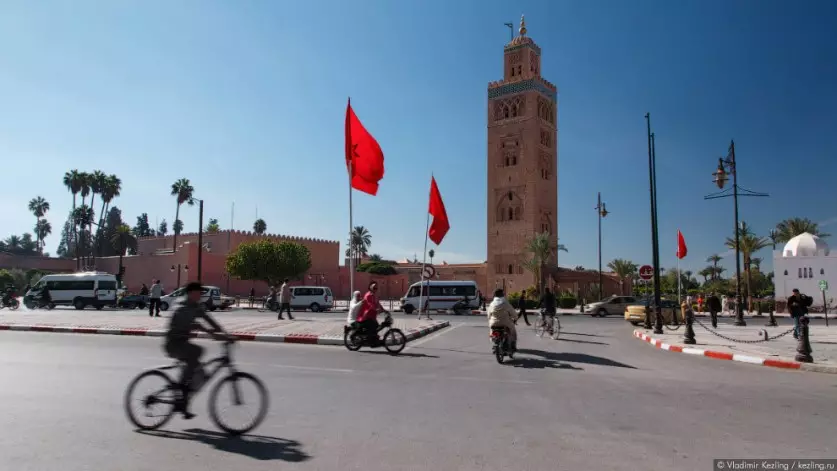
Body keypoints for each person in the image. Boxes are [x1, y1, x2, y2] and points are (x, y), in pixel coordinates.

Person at [164, 282, 231, 419]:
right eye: (198, 293)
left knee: (197, 371)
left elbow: (210, 321)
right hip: (174, 344)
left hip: (183, 343)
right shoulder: (181, 306)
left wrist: (225, 334)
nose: (200, 295)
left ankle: (183, 399)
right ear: (190, 293)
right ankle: (182, 389)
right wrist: (210, 332)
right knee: (196, 352)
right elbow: (193, 324)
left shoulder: (195, 306)